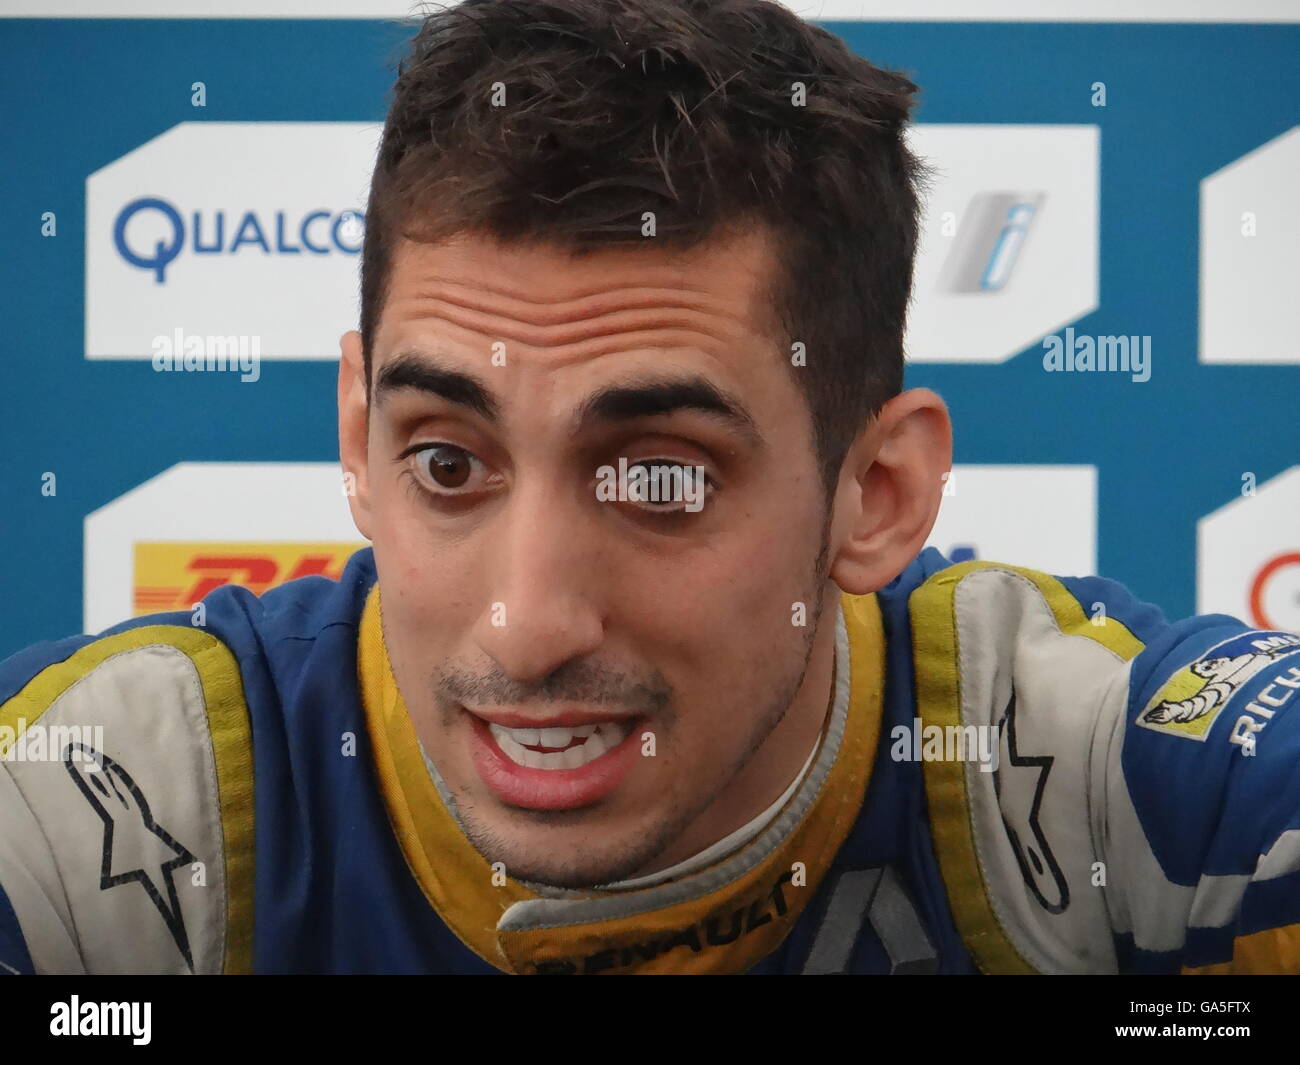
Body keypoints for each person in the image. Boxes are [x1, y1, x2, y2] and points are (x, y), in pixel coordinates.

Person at [1, 0, 1296, 976]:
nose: (528, 622)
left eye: (662, 476)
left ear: (877, 492)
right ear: (357, 435)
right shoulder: (122, 801)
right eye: (448, 463)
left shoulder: (1099, 774)